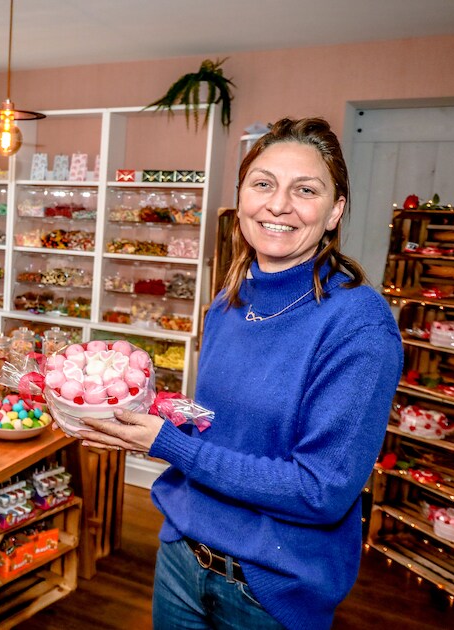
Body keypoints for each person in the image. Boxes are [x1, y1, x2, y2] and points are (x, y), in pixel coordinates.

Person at [79, 117, 403, 630]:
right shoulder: (229, 303)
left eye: (306, 190)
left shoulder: (357, 324)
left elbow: (320, 490)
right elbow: (219, 426)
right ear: (241, 198)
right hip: (182, 561)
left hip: (266, 592)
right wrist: (139, 417)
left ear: (335, 210)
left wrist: (169, 444)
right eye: (263, 184)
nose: (278, 205)